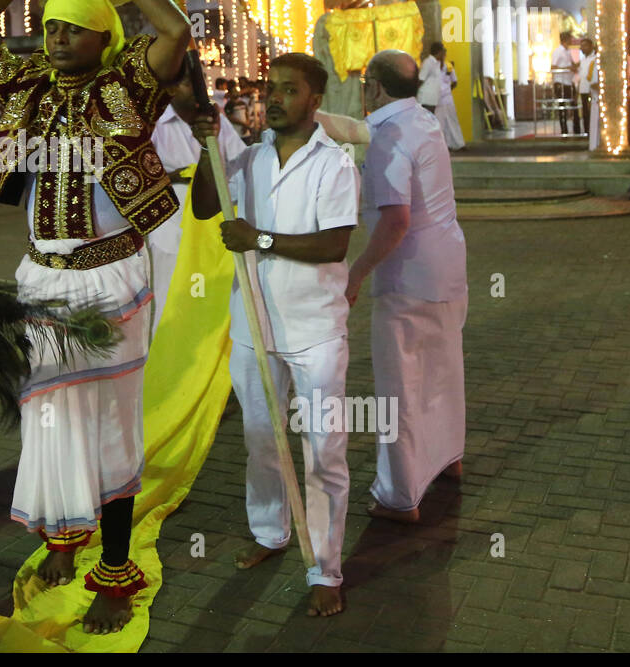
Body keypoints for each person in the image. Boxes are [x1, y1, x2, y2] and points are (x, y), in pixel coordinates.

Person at [0, 0, 190, 635]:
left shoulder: (129, 87)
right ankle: (62, 538)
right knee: (50, 421)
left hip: (110, 277)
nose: (55, 40)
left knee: (111, 428)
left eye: (72, 30)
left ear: (103, 38)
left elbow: (176, 32)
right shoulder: (24, 83)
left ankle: (114, 571)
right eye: (49, 28)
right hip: (41, 279)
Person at [191, 53, 358, 618]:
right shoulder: (251, 156)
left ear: (314, 100)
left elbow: (333, 245)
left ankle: (326, 567)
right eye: (271, 88)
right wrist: (206, 147)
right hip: (253, 327)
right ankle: (269, 533)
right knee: (262, 438)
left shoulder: (334, 164)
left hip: (315, 330)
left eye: (290, 90)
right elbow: (204, 205)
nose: (275, 98)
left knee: (323, 452)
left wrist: (257, 239)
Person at [345, 50, 467, 524]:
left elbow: (396, 220)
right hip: (446, 268)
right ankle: (447, 457)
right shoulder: (423, 121)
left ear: (374, 86)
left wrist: (357, 272)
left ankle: (400, 495)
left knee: (400, 388)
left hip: (408, 278)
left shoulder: (387, 136)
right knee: (443, 373)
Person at [148, 72, 246, 329]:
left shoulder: (216, 121)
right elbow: (134, 176)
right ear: (169, 87)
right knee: (171, 299)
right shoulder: (154, 122)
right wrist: (175, 177)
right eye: (185, 83)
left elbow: (240, 164)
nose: (194, 90)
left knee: (211, 300)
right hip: (173, 231)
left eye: (198, 82)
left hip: (214, 230)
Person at [427, 43, 465, 151]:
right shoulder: (430, 66)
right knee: (439, 123)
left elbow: (455, 81)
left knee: (452, 120)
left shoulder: (448, 66)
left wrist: (447, 91)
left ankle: (459, 144)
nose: (444, 54)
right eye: (442, 52)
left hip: (447, 99)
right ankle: (444, 146)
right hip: (436, 100)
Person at [551, 30, 581, 135]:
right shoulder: (558, 51)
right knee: (562, 107)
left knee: (574, 105)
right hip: (561, 82)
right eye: (570, 39)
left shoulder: (568, 51)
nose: (572, 41)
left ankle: (576, 129)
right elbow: (553, 67)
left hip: (569, 82)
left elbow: (571, 64)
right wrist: (567, 68)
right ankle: (564, 130)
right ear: (566, 40)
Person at [575, 37, 597, 135]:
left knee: (591, 111)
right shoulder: (583, 60)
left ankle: (592, 131)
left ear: (591, 46)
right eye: (581, 46)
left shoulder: (595, 59)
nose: (582, 48)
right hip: (583, 89)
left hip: (592, 89)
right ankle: (587, 130)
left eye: (584, 46)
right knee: (585, 112)